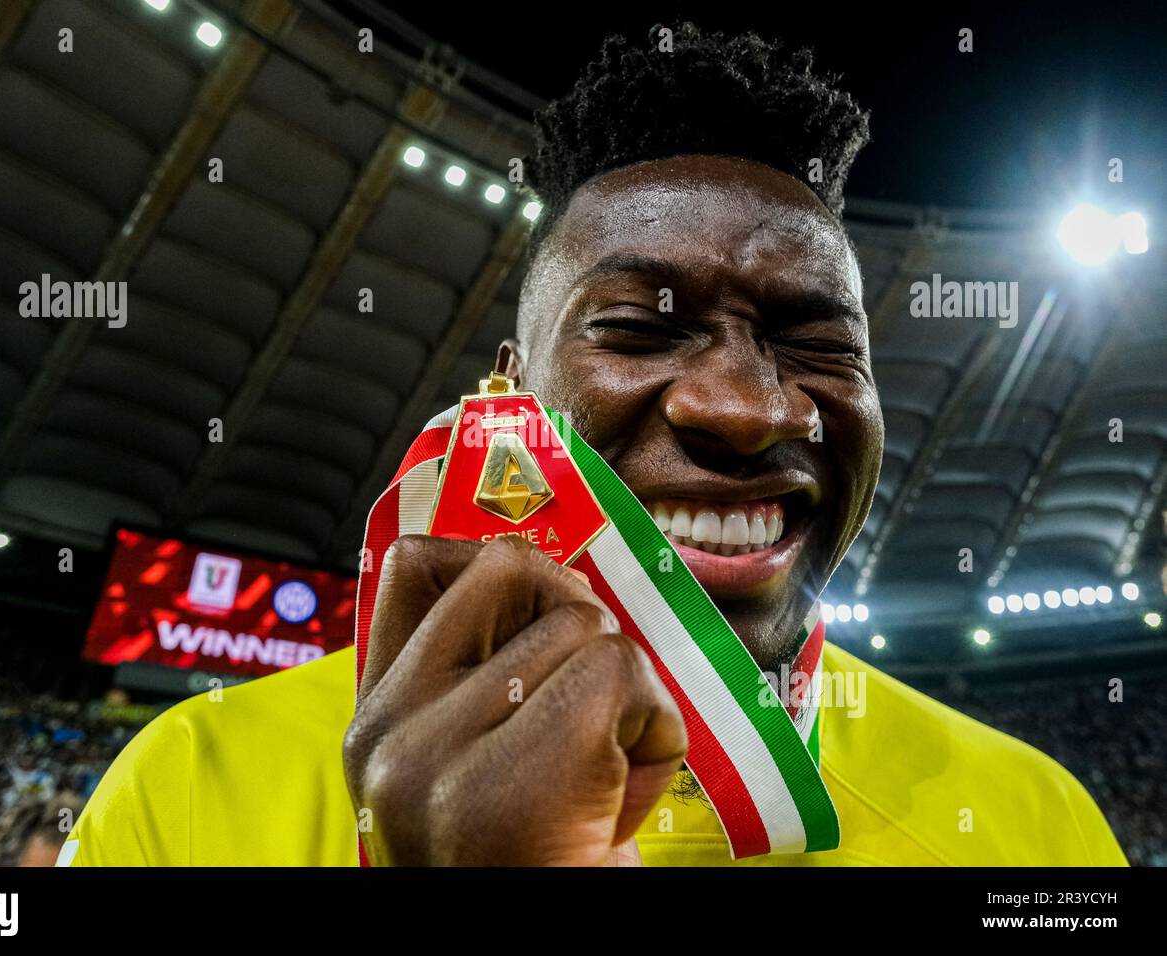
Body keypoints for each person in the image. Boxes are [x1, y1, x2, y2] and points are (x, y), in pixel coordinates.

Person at [63, 24, 1124, 867]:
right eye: (636, 328)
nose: (746, 406)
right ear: (506, 399)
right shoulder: (193, 783)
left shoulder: (1033, 822)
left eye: (814, 342)